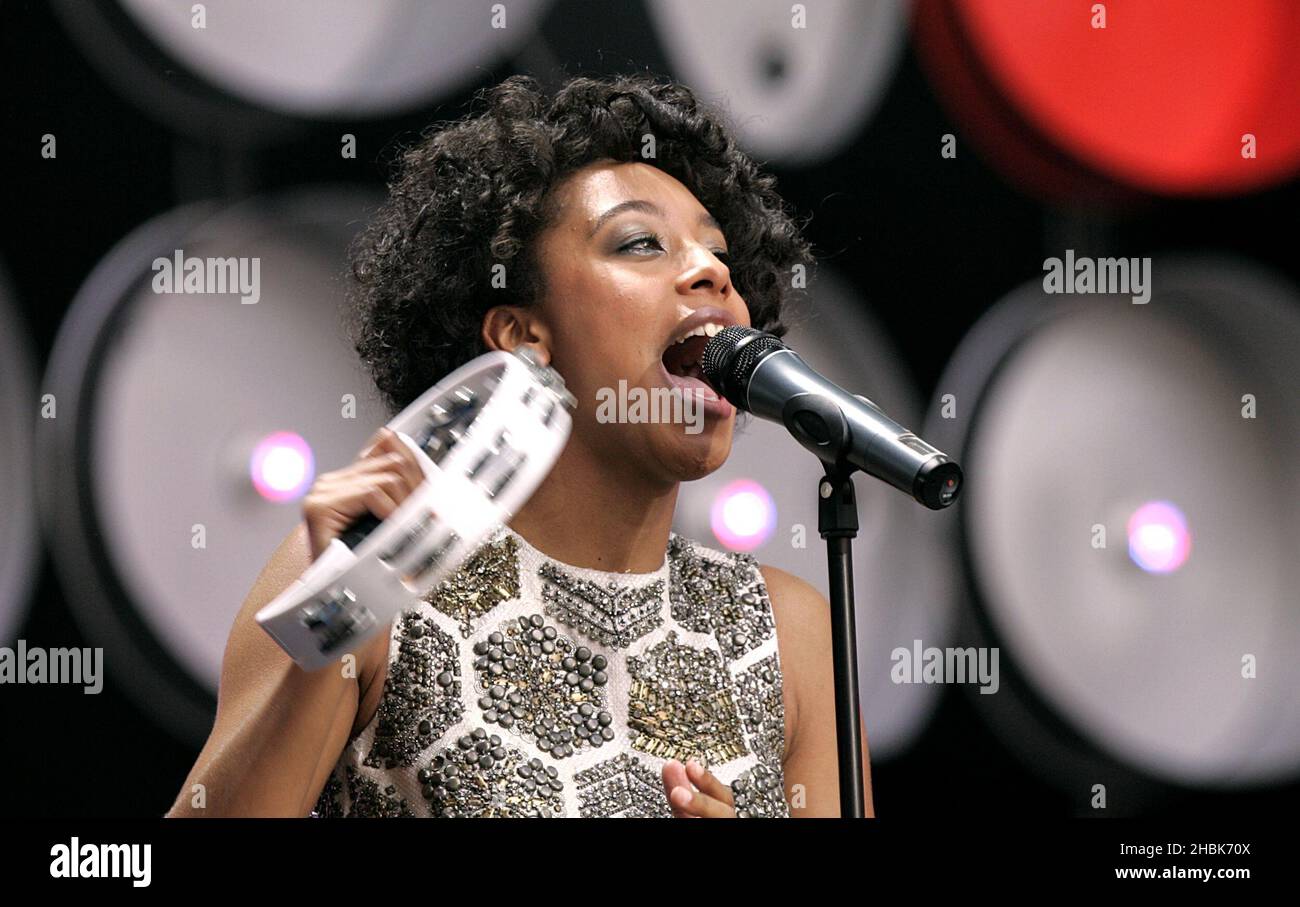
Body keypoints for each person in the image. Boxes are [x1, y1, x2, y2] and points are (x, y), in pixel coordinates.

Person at [166, 72, 876, 818]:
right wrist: (343, 611)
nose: (713, 273)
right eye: (640, 244)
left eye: (720, 257)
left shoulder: (790, 632)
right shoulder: (377, 567)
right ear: (522, 335)